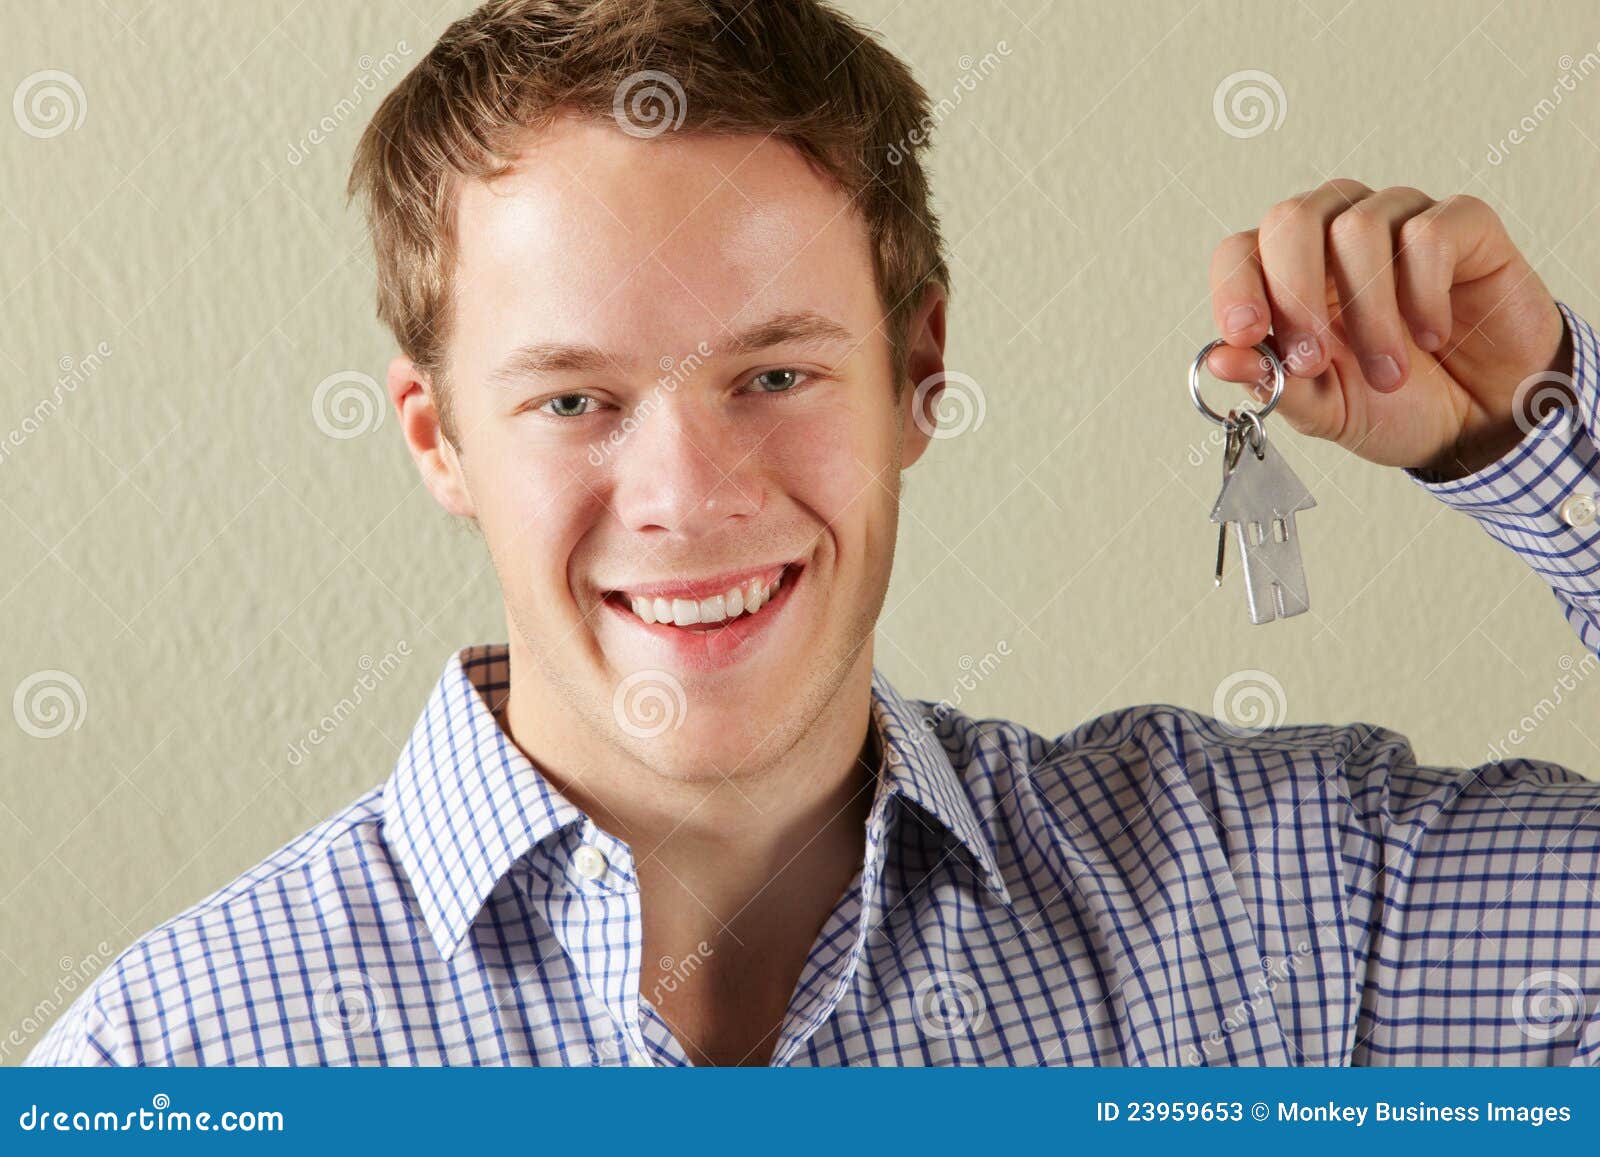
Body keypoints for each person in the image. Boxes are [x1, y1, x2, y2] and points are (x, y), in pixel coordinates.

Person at [29, 0, 1600, 1067]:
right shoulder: (174, 1062)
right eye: (576, 399)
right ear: (441, 440)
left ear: (921, 374)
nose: (691, 494)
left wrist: (1535, 436)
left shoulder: (1288, 904)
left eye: (774, 373)